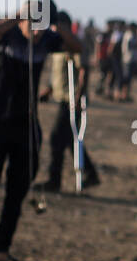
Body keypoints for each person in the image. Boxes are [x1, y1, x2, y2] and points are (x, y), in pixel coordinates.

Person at [0, 0, 80, 261]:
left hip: (25, 126)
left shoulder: (48, 40)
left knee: (17, 191)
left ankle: (2, 249)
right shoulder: (8, 35)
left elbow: (77, 47)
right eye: (33, 25)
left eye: (42, 27)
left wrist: (57, 24)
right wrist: (17, 17)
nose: (36, 33)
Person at [40, 11, 100, 192]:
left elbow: (83, 70)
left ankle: (54, 180)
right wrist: (49, 90)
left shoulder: (73, 43)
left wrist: (79, 93)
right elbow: (58, 72)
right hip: (62, 97)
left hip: (72, 100)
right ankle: (90, 174)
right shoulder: (57, 43)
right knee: (69, 140)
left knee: (57, 138)